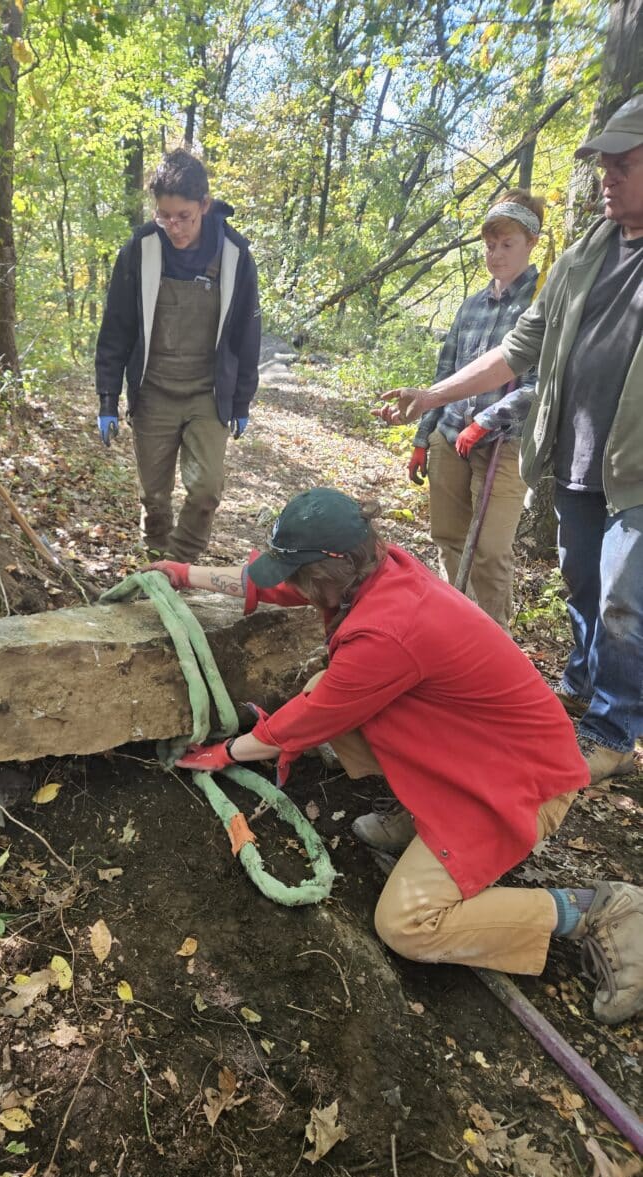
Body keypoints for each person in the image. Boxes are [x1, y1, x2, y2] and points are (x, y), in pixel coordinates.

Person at [146, 487, 643, 1026]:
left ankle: (600, 912)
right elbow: (277, 586)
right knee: (325, 687)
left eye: (299, 571)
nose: (292, 584)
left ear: (332, 565)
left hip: (516, 781)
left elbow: (306, 723)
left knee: (406, 924)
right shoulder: (374, 572)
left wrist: (222, 753)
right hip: (477, 750)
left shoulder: (389, 630)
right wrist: (184, 573)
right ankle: (424, 815)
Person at [379, 94, 643, 786]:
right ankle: (580, 687)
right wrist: (433, 400)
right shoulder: (587, 255)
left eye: (624, 164)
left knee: (623, 595)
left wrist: (483, 420)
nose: (608, 177)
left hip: (636, 466)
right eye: (605, 164)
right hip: (581, 457)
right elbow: (518, 351)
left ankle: (613, 731)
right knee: (583, 579)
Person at [95, 148, 261, 562]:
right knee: (153, 495)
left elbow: (246, 334)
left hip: (208, 392)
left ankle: (181, 564)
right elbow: (116, 327)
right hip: (153, 391)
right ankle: (156, 563)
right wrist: (106, 398)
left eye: (183, 216)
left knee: (205, 489)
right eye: (164, 216)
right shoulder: (140, 248)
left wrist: (241, 400)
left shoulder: (235, 255)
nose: (174, 226)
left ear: (204, 205)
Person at [409, 189, 543, 630]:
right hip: (450, 437)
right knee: (448, 536)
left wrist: (486, 421)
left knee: (489, 550)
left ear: (531, 243)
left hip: (505, 444)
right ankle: (457, 625)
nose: (496, 255)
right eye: (490, 245)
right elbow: (444, 374)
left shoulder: (541, 305)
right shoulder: (471, 306)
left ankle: (493, 639)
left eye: (508, 245)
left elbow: (540, 385)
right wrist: (422, 439)